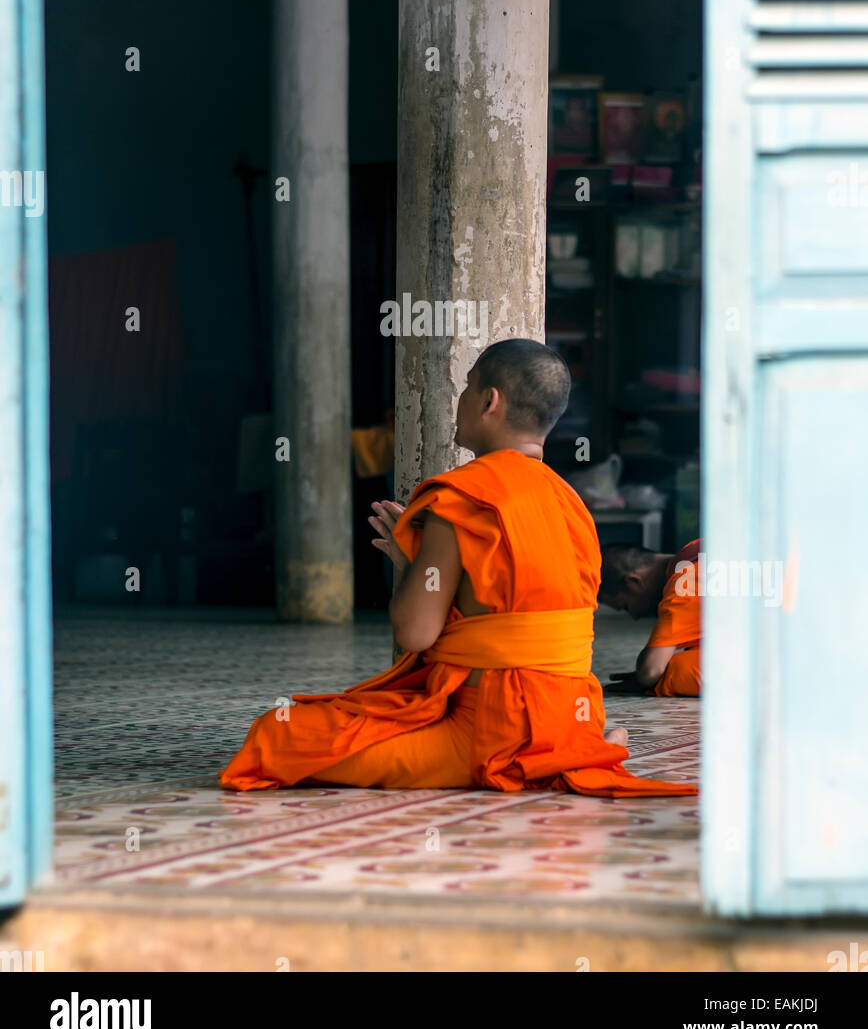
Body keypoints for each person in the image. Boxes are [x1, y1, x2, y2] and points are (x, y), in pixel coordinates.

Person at [219, 340, 696, 797]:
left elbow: (415, 633)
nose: (460, 400)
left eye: (466, 388)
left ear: (489, 401)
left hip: (489, 730)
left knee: (278, 733)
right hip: (572, 713)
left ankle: (555, 758)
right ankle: (578, 748)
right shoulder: (573, 505)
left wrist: (410, 565)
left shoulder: (462, 496)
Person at [597, 540, 701, 697]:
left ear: (633, 582)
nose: (635, 616)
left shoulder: (685, 582)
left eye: (626, 606)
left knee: (678, 670)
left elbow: (651, 671)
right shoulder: (694, 550)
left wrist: (647, 679)